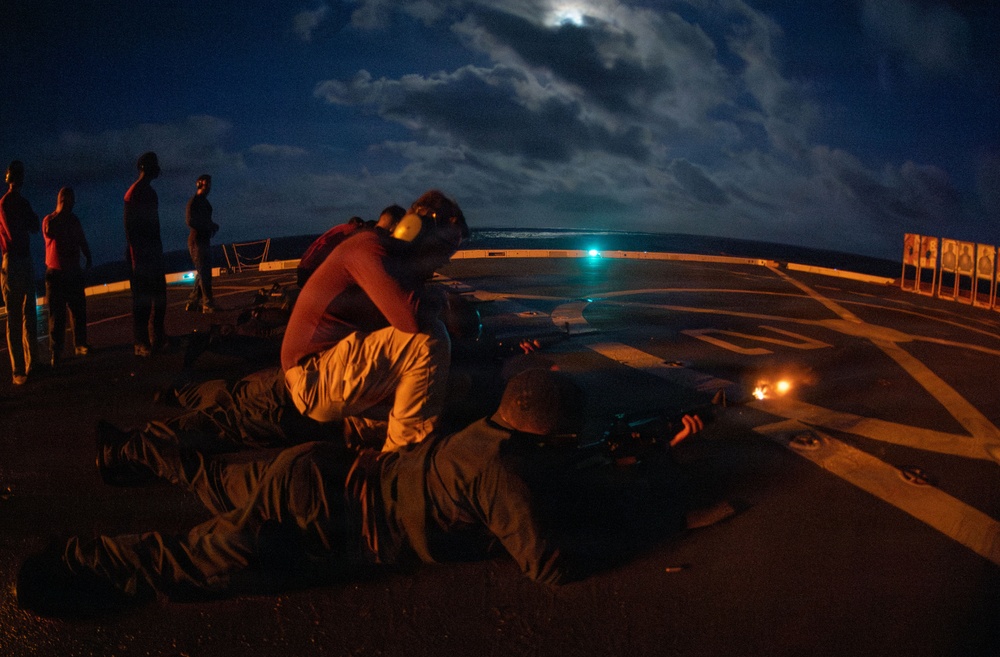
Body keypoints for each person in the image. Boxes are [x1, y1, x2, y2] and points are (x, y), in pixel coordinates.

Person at [15, 369, 705, 617]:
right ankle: (66, 564)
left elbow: (540, 470)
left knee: (210, 479)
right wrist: (655, 511)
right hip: (322, 515)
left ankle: (128, 451)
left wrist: (623, 455)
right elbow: (551, 564)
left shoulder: (483, 437)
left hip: (320, 467)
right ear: (548, 435)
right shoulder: (508, 476)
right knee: (192, 560)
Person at [282, 190, 469, 451]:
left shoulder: (391, 260)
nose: (440, 262)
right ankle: (401, 461)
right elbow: (410, 320)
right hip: (312, 378)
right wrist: (441, 299)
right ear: (414, 228)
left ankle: (362, 433)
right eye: (442, 250)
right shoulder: (367, 247)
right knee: (428, 339)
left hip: (331, 372)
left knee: (438, 391)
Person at [42, 187, 93, 367]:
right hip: (56, 273)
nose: (74, 203)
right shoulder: (50, 220)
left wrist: (87, 254)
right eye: (70, 200)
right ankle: (56, 352)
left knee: (78, 311)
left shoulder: (74, 220)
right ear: (64, 200)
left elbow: (81, 239)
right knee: (57, 315)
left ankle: (80, 344)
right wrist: (61, 211)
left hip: (73, 272)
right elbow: (49, 231)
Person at [0, 160, 40, 385]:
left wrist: (26, 221)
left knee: (28, 313)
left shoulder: (20, 203)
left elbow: (32, 225)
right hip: (14, 261)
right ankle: (18, 369)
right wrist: (26, 221)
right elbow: (16, 233)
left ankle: (32, 363)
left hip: (22, 260)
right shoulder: (6, 203)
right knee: (16, 316)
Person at [124, 152, 168, 357]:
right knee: (142, 303)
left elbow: (155, 226)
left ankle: (157, 338)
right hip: (141, 256)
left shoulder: (151, 193)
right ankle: (140, 343)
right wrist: (137, 257)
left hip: (153, 253)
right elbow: (130, 229)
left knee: (160, 299)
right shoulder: (134, 194)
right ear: (145, 167)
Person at [296, 215, 364, 288]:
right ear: (358, 224)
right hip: (311, 270)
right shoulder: (351, 229)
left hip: (304, 267)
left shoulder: (339, 229)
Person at [185, 174, 219, 314]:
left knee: (202, 273)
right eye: (206, 185)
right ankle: (207, 304)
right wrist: (207, 226)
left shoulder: (205, 203)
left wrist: (212, 225)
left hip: (204, 241)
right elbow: (190, 221)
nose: (208, 188)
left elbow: (205, 221)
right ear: (198, 184)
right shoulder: (194, 202)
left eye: (209, 185)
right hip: (196, 242)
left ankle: (192, 302)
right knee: (205, 274)